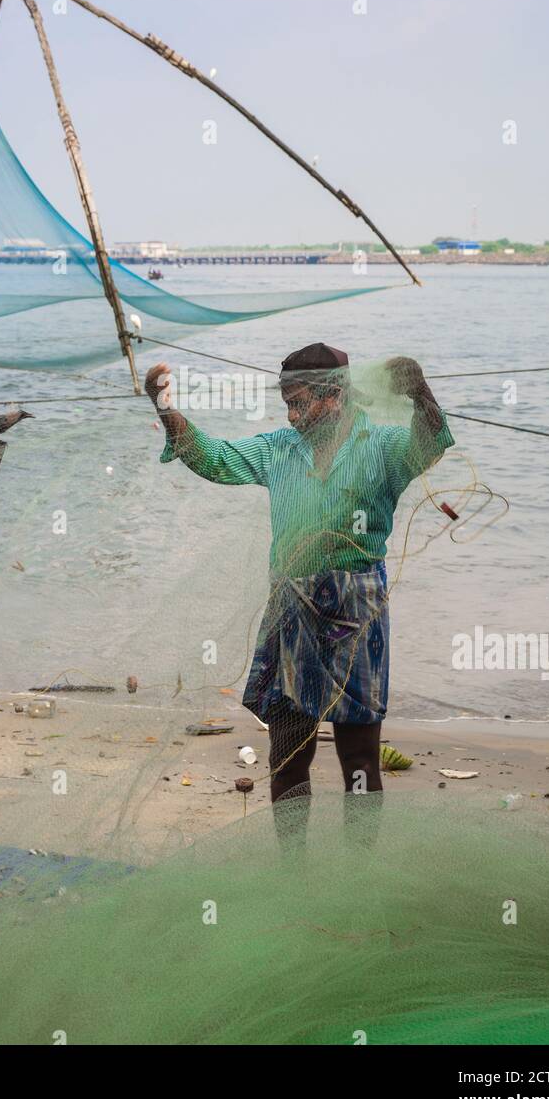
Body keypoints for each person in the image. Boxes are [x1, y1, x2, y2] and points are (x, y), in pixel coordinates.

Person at [145, 342, 454, 841]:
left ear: (335, 398)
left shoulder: (384, 447)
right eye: (285, 403)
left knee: (358, 754)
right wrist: (166, 412)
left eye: (299, 402)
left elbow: (430, 441)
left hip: (358, 608)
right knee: (288, 750)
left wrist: (420, 392)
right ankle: (291, 867)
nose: (290, 415)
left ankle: (358, 865)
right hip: (292, 607)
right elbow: (214, 459)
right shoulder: (278, 450)